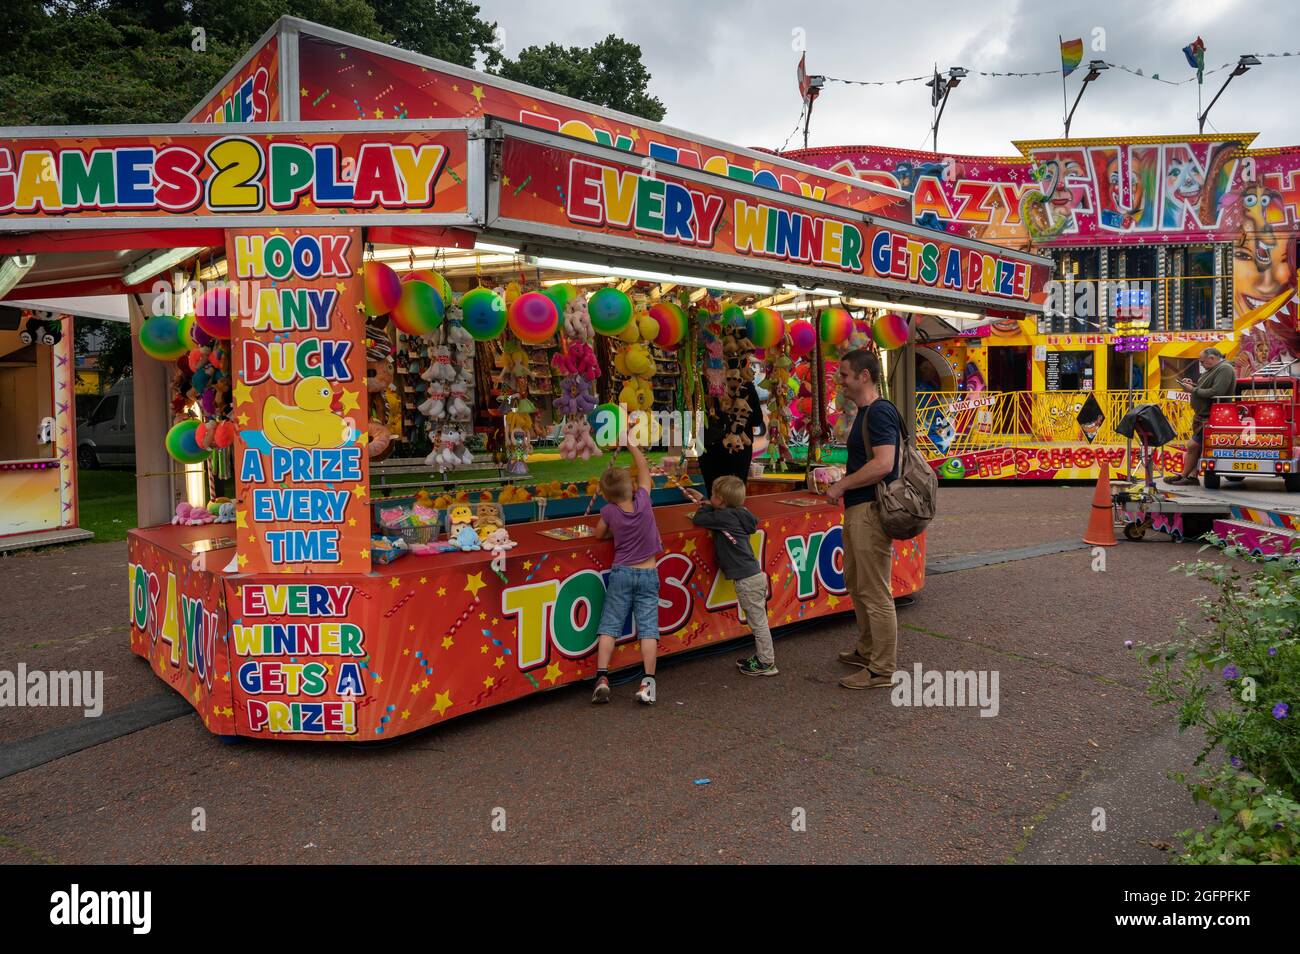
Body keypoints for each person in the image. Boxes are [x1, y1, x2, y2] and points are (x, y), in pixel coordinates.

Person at [825, 349, 901, 690]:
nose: (840, 381)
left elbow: (885, 463)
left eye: (844, 375)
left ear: (864, 376)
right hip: (859, 508)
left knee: (874, 591)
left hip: (870, 509)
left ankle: (882, 669)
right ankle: (868, 649)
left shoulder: (880, 412)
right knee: (858, 585)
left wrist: (842, 483)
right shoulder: (867, 412)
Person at [683, 475, 776, 676]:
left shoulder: (723, 517)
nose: (711, 497)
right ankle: (762, 657)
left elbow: (699, 518)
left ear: (722, 502)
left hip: (747, 581)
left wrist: (705, 505)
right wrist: (708, 501)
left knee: (758, 623)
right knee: (757, 621)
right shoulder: (740, 512)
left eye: (714, 495)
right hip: (754, 576)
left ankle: (766, 662)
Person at [591, 440, 662, 705]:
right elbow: (643, 467)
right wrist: (631, 444)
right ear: (632, 487)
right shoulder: (644, 500)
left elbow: (599, 534)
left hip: (621, 573)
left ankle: (601, 677)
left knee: (609, 625)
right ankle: (648, 683)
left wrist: (611, 526)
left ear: (606, 496)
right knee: (648, 630)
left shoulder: (609, 511)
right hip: (648, 574)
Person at [1164, 348, 1235, 487]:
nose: (1201, 364)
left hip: (1213, 416)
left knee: (1192, 445)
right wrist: (1193, 385)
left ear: (1212, 358)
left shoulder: (1225, 369)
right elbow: (1207, 388)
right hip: (1204, 415)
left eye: (1203, 361)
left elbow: (1217, 392)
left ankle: (1183, 476)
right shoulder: (1213, 369)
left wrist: (1193, 390)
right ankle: (1191, 477)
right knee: (1197, 447)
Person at [699, 377, 764, 496]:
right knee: (734, 495)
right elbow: (757, 419)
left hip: (712, 448)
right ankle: (732, 513)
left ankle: (719, 513)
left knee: (716, 494)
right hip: (736, 449)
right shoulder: (745, 385)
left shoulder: (703, 383)